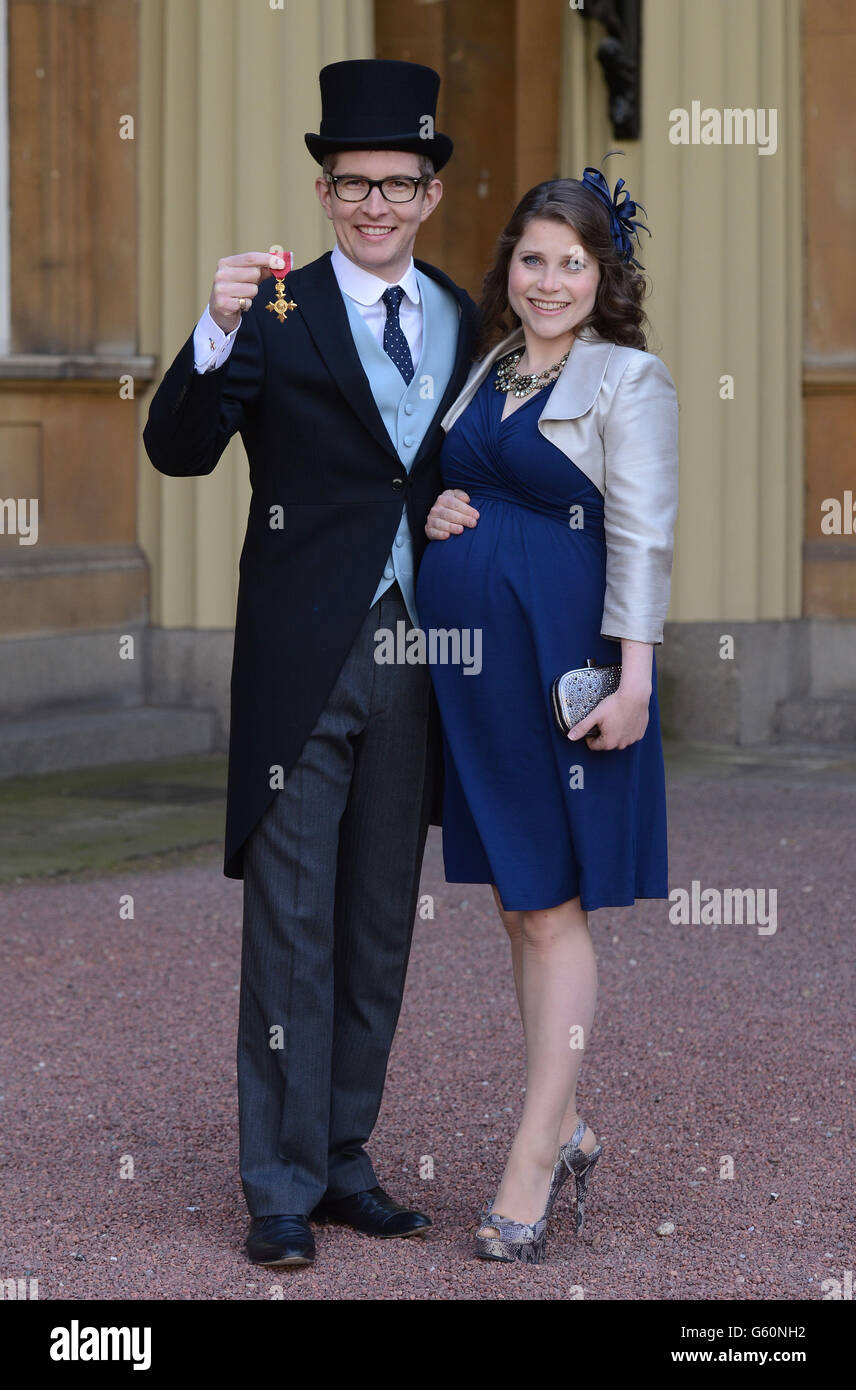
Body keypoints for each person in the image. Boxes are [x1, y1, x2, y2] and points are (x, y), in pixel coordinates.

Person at [143, 59, 479, 1268]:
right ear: (325, 188)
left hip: (417, 652)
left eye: (398, 182)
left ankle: (342, 1157)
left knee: (380, 914)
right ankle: (276, 1183)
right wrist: (214, 325)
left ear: (430, 192)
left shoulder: (459, 314)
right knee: (292, 920)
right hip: (300, 658)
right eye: (353, 183)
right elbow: (179, 449)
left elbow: (457, 468)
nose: (375, 203)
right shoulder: (274, 310)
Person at [416, 168, 679, 1263]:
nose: (549, 278)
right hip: (475, 672)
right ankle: (562, 1116)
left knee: (555, 901)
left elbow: (645, 534)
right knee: (521, 903)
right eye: (532, 256)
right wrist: (430, 505)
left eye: (572, 261)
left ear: (602, 275)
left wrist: (636, 680)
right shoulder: (488, 363)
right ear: (508, 267)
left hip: (569, 668)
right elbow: (437, 469)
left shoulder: (631, 377)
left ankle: (535, 1150)